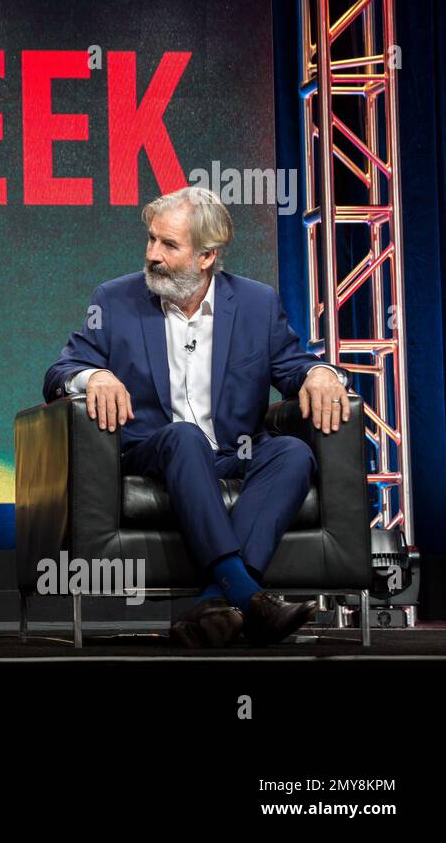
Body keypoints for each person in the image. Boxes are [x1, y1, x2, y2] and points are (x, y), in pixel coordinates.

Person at [43, 185, 352, 648]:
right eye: (150, 240)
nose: (153, 255)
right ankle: (251, 596)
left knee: (291, 452)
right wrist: (93, 379)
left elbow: (292, 366)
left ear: (207, 256)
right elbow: (58, 373)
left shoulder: (255, 303)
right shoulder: (113, 300)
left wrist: (323, 374)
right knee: (184, 436)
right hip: (153, 451)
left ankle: (214, 603)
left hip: (231, 452)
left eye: (168, 245)